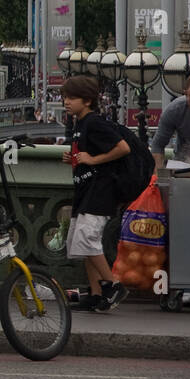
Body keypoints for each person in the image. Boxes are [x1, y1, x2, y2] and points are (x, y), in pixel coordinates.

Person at [60, 75, 130, 312]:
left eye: (71, 98)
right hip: (85, 189)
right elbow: (87, 153)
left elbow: (123, 148)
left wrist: (93, 159)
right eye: (64, 97)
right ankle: (96, 293)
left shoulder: (95, 122)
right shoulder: (80, 123)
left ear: (87, 100)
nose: (66, 102)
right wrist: (75, 158)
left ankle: (113, 285)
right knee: (82, 243)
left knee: (87, 239)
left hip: (100, 190)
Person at [150, 72, 190, 191]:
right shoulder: (174, 110)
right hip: (184, 166)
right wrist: (157, 178)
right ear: (185, 94)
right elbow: (158, 145)